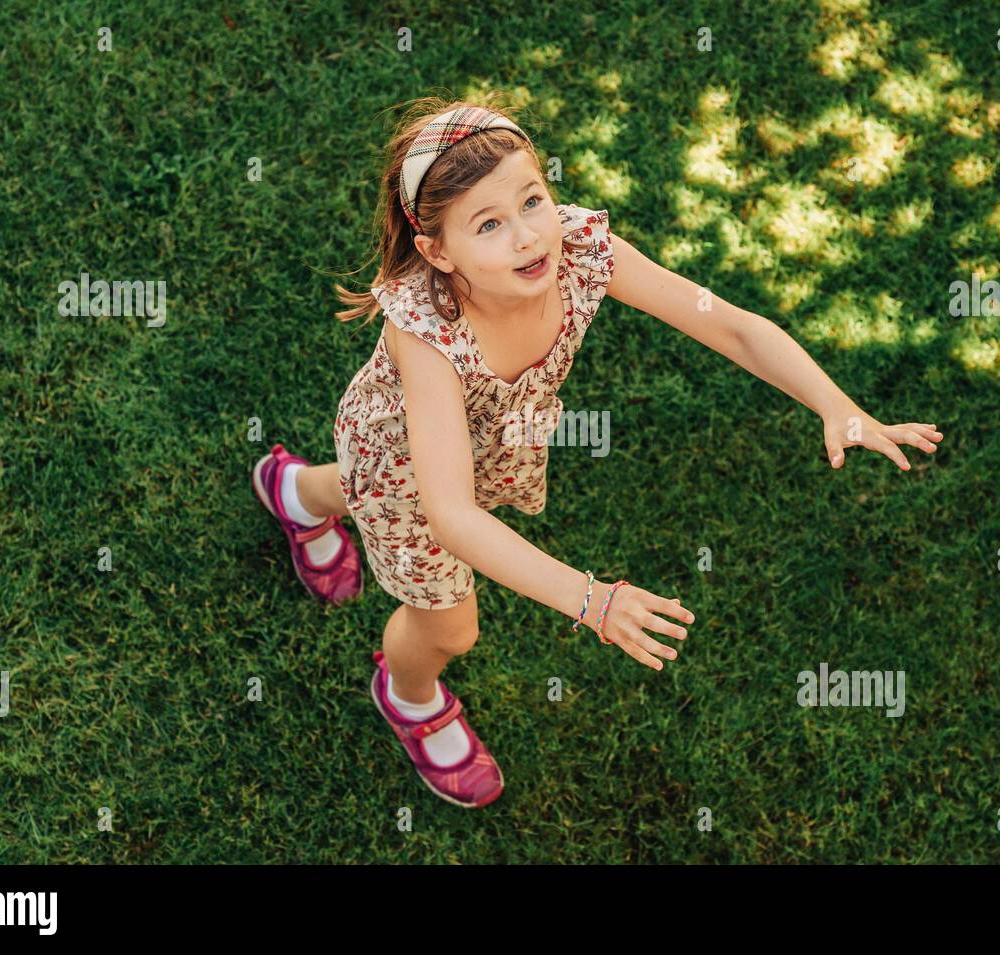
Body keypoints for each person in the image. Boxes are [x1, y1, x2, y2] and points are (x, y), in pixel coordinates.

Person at [252, 95, 943, 809]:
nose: (526, 237)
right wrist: (593, 601)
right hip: (409, 475)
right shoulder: (426, 333)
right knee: (452, 624)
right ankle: (409, 695)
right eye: (488, 224)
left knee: (367, 491)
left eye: (532, 200)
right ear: (437, 252)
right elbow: (451, 514)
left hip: (482, 448)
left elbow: (731, 327)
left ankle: (296, 493)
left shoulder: (581, 249)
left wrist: (837, 404)